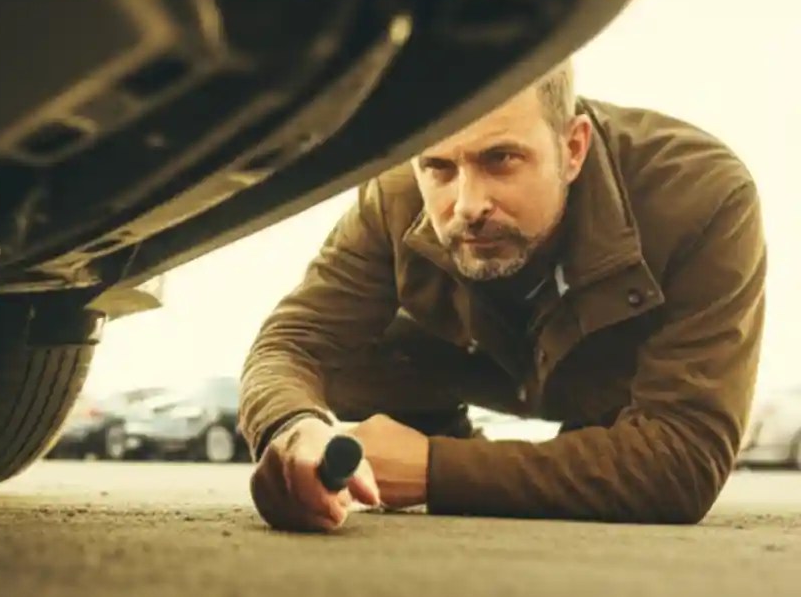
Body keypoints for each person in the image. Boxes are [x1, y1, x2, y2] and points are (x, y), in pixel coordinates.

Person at [239, 61, 766, 532]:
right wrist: (291, 431)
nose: (468, 205)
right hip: (473, 364)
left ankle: (453, 452)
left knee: (634, 466)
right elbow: (291, 342)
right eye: (439, 167)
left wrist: (433, 469)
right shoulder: (395, 193)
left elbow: (683, 459)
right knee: (351, 349)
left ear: (573, 149)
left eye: (501, 159)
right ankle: (434, 432)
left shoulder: (701, 194)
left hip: (610, 395)